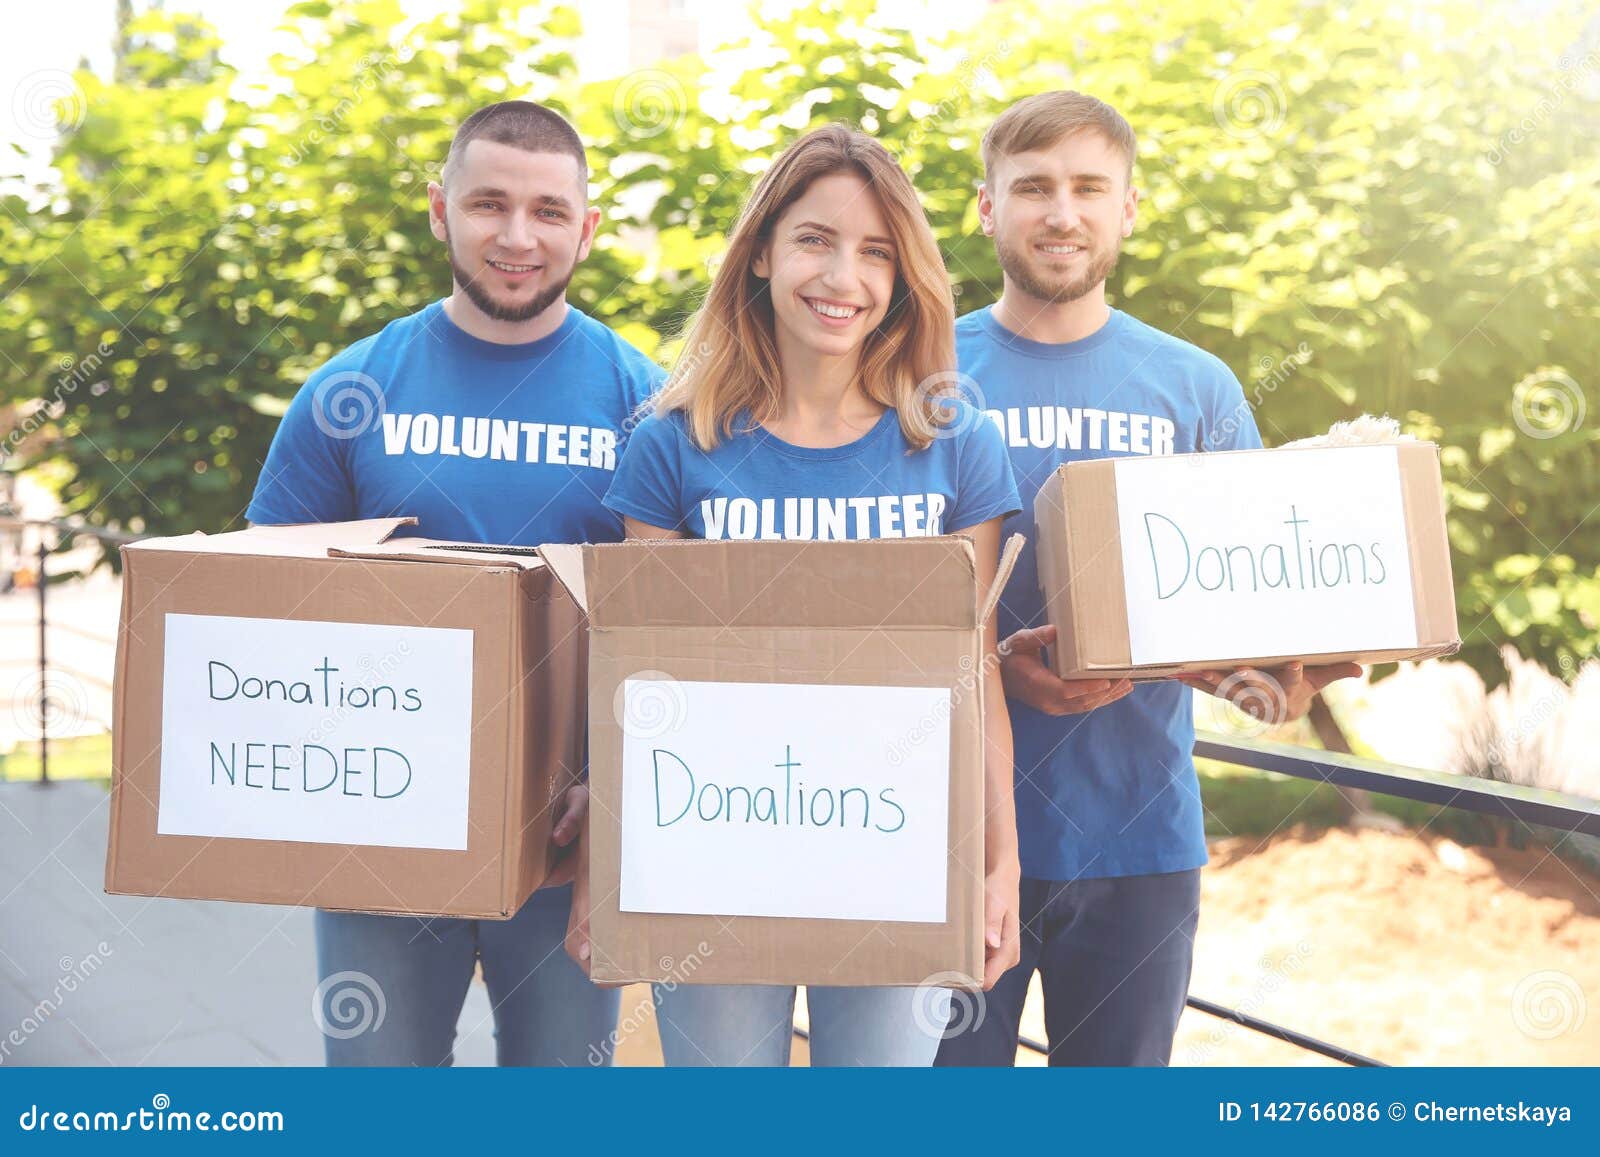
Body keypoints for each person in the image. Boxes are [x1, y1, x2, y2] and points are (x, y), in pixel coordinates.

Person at [578, 124, 1023, 1066]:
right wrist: (602, 871)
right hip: (714, 856)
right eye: (815, 240)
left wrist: (999, 860)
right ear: (762, 255)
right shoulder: (673, 445)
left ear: (904, 278)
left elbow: (972, 669)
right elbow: (634, 680)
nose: (843, 277)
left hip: (899, 854)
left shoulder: (955, 444)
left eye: (875, 253)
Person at [936, 91, 1361, 1067]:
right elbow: (877, 599)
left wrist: (1292, 669)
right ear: (987, 207)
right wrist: (998, 665)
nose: (1062, 212)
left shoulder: (1195, 386)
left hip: (1139, 841)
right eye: (1033, 186)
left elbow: (1262, 604)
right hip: (950, 837)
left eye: (1090, 188)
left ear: (1127, 209)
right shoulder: (920, 372)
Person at [246, 100, 663, 1065]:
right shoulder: (351, 391)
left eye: (550, 211)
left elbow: (670, 621)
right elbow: (268, 610)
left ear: (587, 227)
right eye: (488, 204)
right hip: (379, 827)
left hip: (570, 839)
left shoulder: (648, 403)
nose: (518, 237)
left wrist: (614, 784)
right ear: (440, 210)